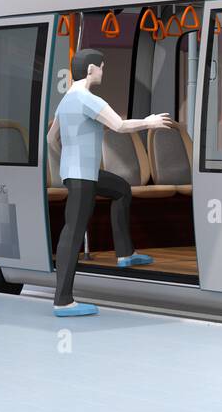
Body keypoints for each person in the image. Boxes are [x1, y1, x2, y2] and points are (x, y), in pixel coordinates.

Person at [47, 47, 175, 317]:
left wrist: (75, 148)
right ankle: (63, 300)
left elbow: (51, 139)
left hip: (78, 173)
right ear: (91, 69)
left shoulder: (66, 100)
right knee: (72, 232)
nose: (104, 71)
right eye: (102, 67)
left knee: (121, 189)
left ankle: (125, 253)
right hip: (83, 176)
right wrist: (149, 122)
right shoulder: (88, 99)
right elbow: (119, 126)